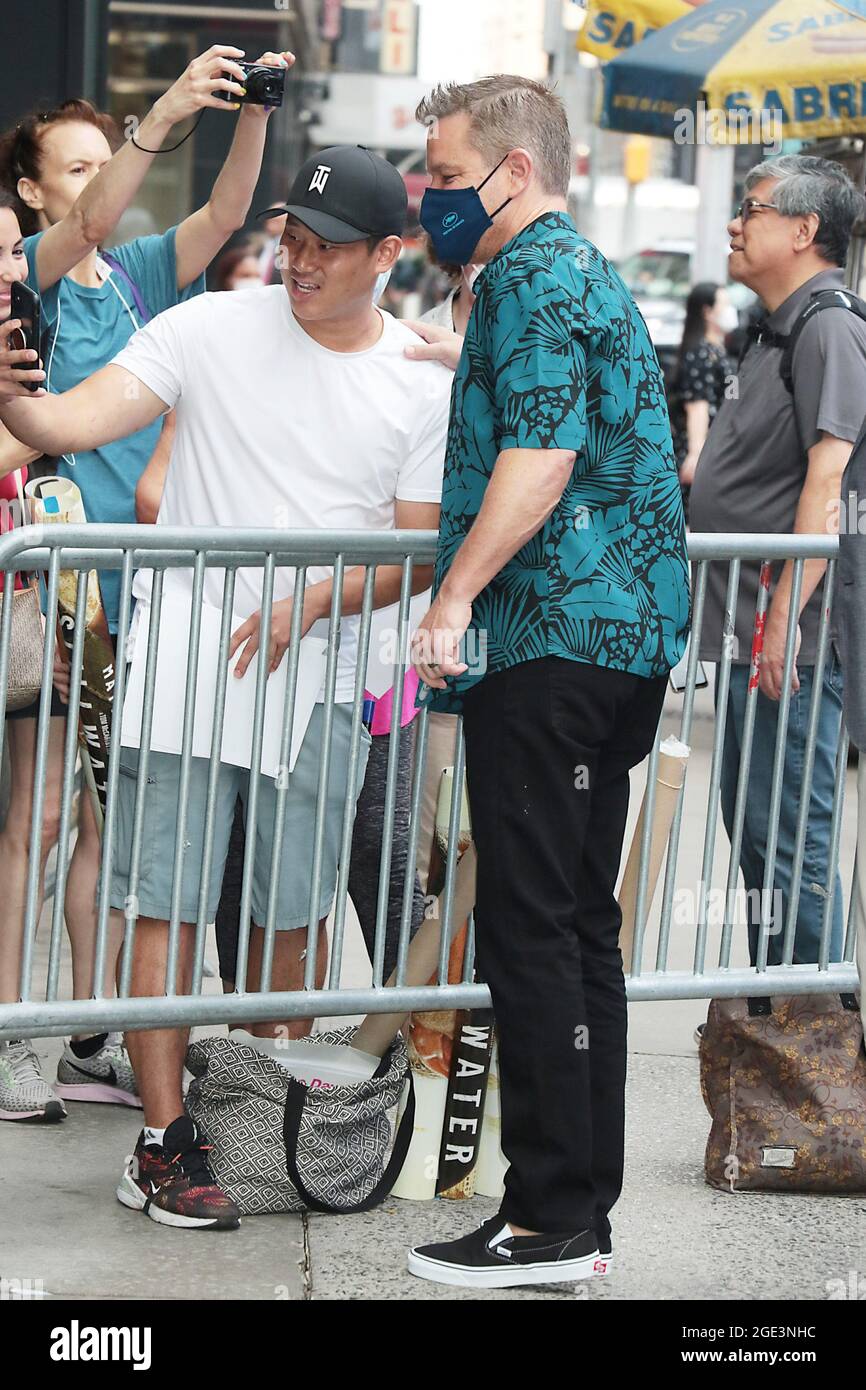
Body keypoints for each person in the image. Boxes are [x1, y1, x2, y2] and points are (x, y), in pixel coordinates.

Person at [0, 144, 449, 1230]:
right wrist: (16, 392)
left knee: (285, 921)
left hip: (322, 680)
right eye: (291, 238)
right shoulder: (205, 327)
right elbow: (63, 425)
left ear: (388, 254)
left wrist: (314, 606)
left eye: (325, 249)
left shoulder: (420, 380)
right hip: (188, 663)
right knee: (163, 901)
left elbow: (422, 545)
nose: (297, 262)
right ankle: (160, 1142)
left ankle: (253, 1117)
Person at [406, 76, 689, 1289]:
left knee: (535, 930)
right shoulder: (572, 272)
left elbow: (543, 451)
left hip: (547, 638)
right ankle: (573, 1210)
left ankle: (547, 1219)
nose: (429, 193)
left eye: (442, 168)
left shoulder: (527, 275)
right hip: (611, 644)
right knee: (575, 930)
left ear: (509, 172)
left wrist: (453, 595)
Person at [0, 44, 289, 1119]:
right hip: (62, 584)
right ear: (31, 192)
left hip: (147, 588)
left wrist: (253, 112)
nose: (91, 185)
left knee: (102, 829)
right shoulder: (28, 278)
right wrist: (159, 114)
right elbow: (89, 222)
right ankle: (11, 1041)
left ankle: (86, 1030)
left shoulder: (136, 275)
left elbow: (220, 215)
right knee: (31, 820)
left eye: (97, 163)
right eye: (70, 169)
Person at [689, 154, 866, 969]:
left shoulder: (828, 325)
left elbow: (827, 481)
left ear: (803, 231)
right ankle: (781, 1029)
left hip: (791, 647)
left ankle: (813, 1046)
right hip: (755, 640)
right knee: (762, 841)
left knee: (790, 846)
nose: (735, 223)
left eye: (751, 210)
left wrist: (779, 623)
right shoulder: (780, 326)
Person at [668, 281, 734, 520]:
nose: (730, 312)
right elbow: (698, 405)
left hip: (716, 449)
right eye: (725, 305)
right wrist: (696, 454)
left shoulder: (718, 350)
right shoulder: (700, 353)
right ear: (707, 311)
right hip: (702, 450)